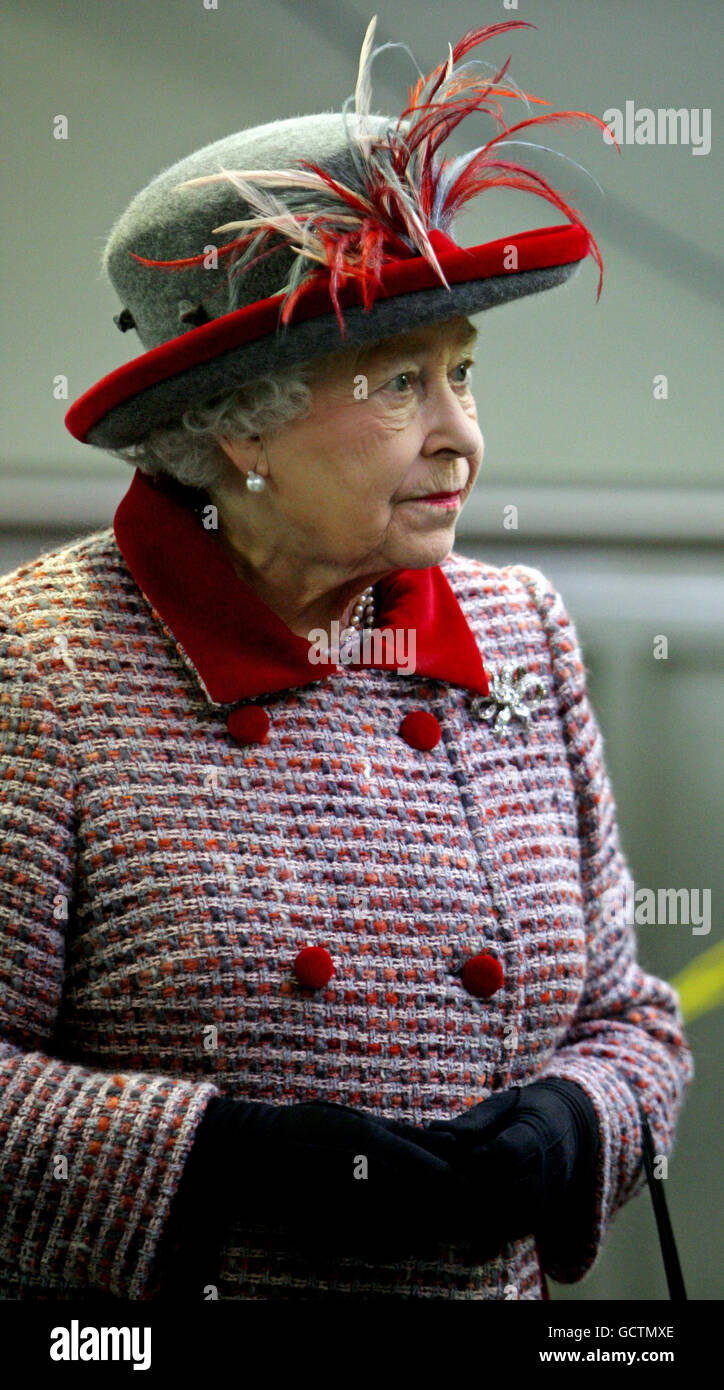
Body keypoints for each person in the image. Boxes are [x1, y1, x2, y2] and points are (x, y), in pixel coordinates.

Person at [0, 17, 692, 1301]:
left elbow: (632, 1022)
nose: (459, 439)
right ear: (240, 428)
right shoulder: (44, 661)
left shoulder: (520, 628)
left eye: (463, 375)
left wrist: (577, 1124)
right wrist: (227, 1163)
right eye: (397, 384)